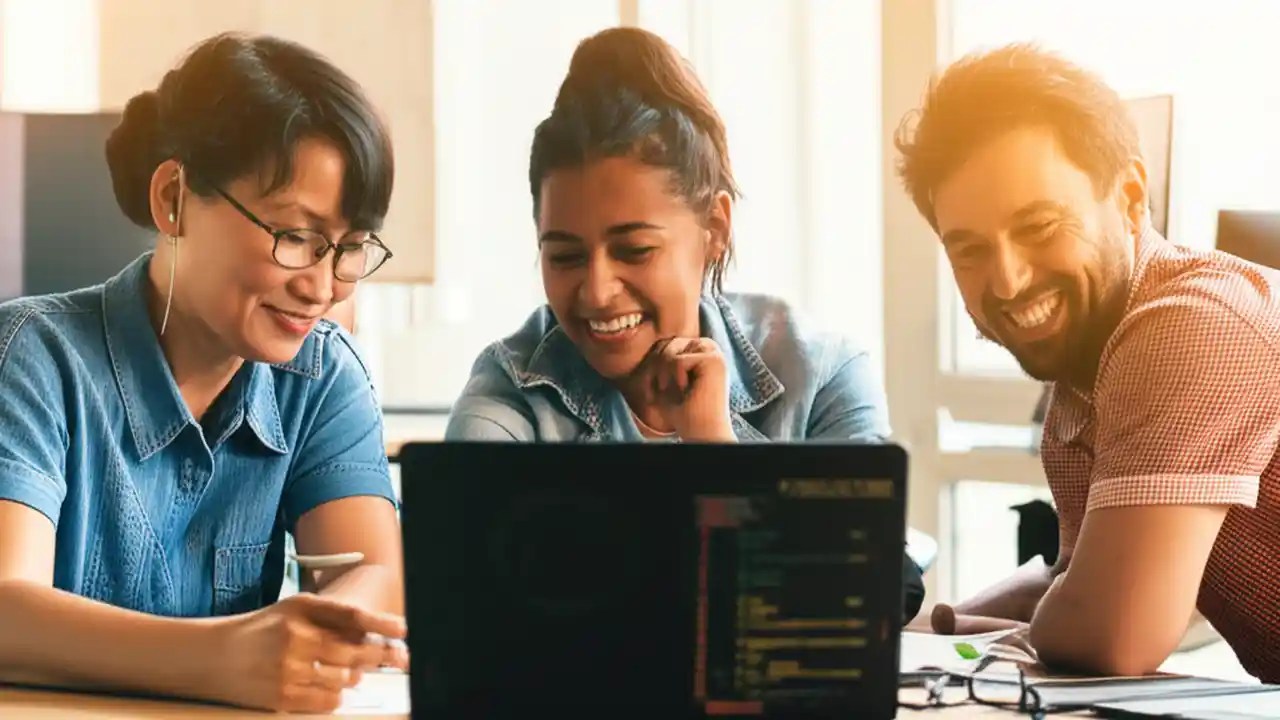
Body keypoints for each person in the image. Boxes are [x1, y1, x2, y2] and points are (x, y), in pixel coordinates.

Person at [446, 27, 925, 623]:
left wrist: (713, 451)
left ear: (715, 228)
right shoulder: (510, 393)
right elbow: (464, 600)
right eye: (565, 256)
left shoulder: (822, 373)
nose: (596, 291)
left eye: (635, 250)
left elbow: (873, 594)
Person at [0, 32, 408, 712]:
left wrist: (330, 627)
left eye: (351, 246)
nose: (325, 285)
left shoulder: (322, 375)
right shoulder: (34, 358)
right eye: (297, 236)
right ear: (174, 199)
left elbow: (376, 575)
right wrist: (225, 657)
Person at [895, 43, 1280, 680]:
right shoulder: (1085, 372)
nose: (1010, 281)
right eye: (970, 251)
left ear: (1131, 196)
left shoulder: (1192, 321)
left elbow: (1112, 635)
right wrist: (930, 629)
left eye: (1039, 227)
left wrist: (1042, 620)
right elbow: (1080, 587)